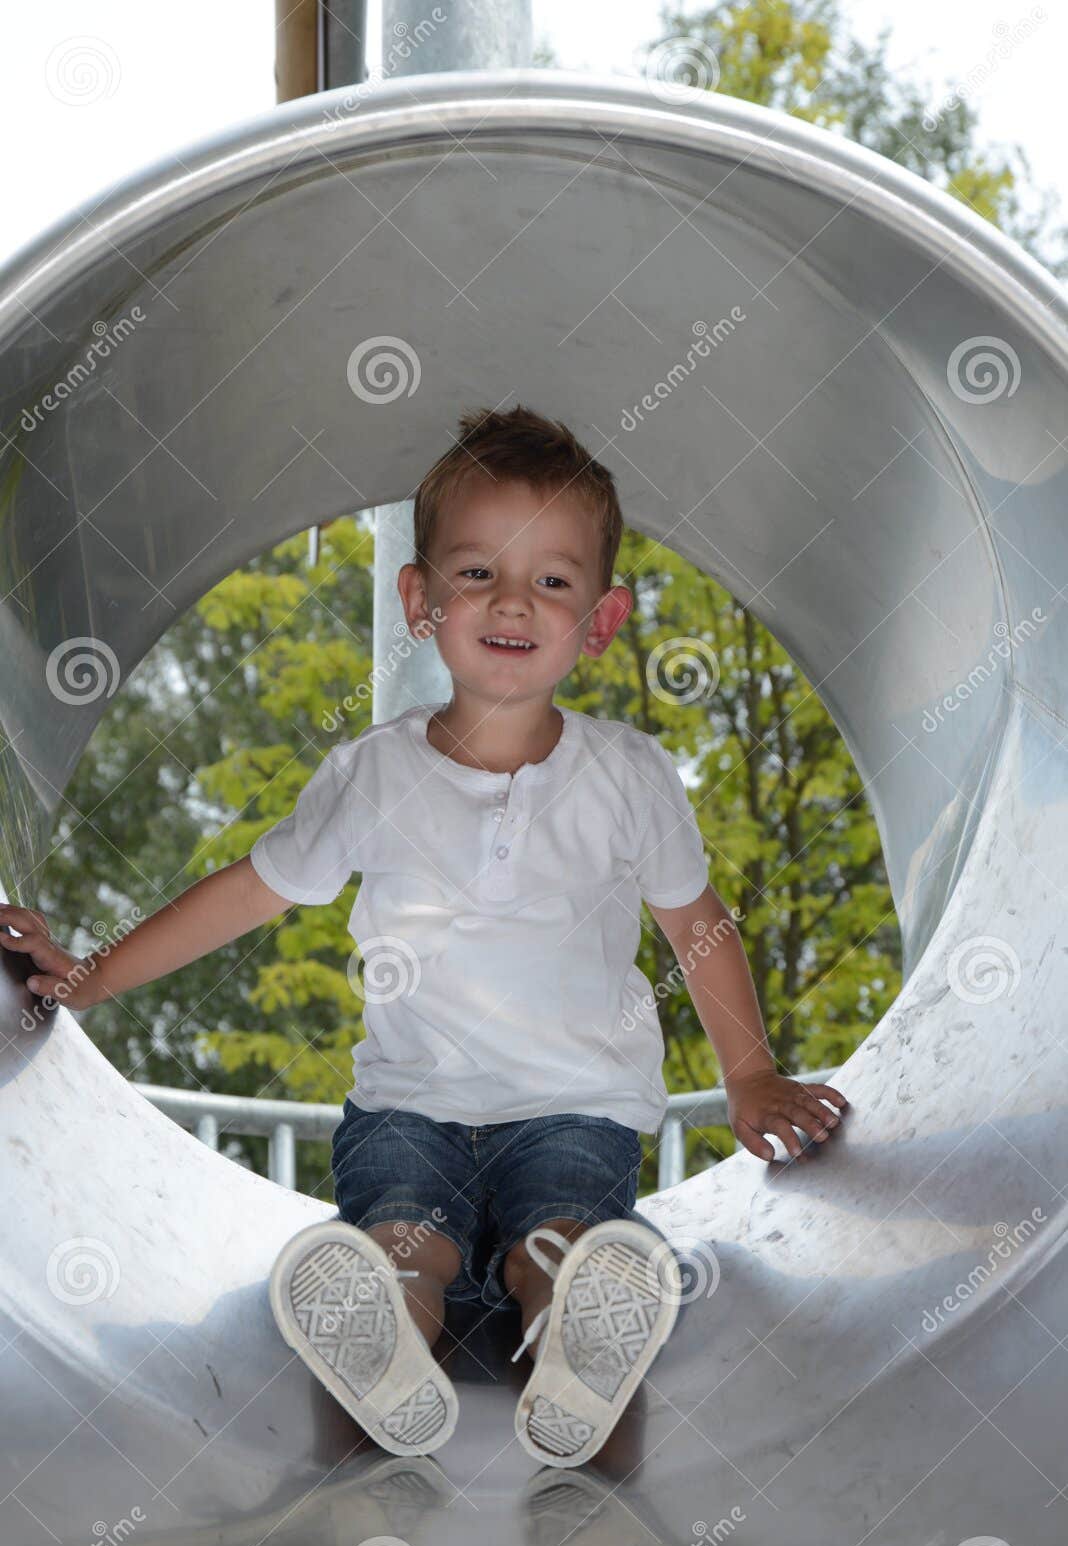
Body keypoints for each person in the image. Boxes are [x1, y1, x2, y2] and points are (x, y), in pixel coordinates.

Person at [0, 403, 848, 1470]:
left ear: (601, 621)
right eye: (477, 571)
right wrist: (91, 975)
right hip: (410, 1106)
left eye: (552, 580)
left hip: (575, 1107)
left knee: (564, 1238)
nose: (512, 600)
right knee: (404, 1241)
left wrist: (751, 1075)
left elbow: (698, 926)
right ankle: (389, 1347)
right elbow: (250, 893)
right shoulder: (372, 773)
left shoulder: (628, 774)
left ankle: (577, 1343)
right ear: (420, 599)